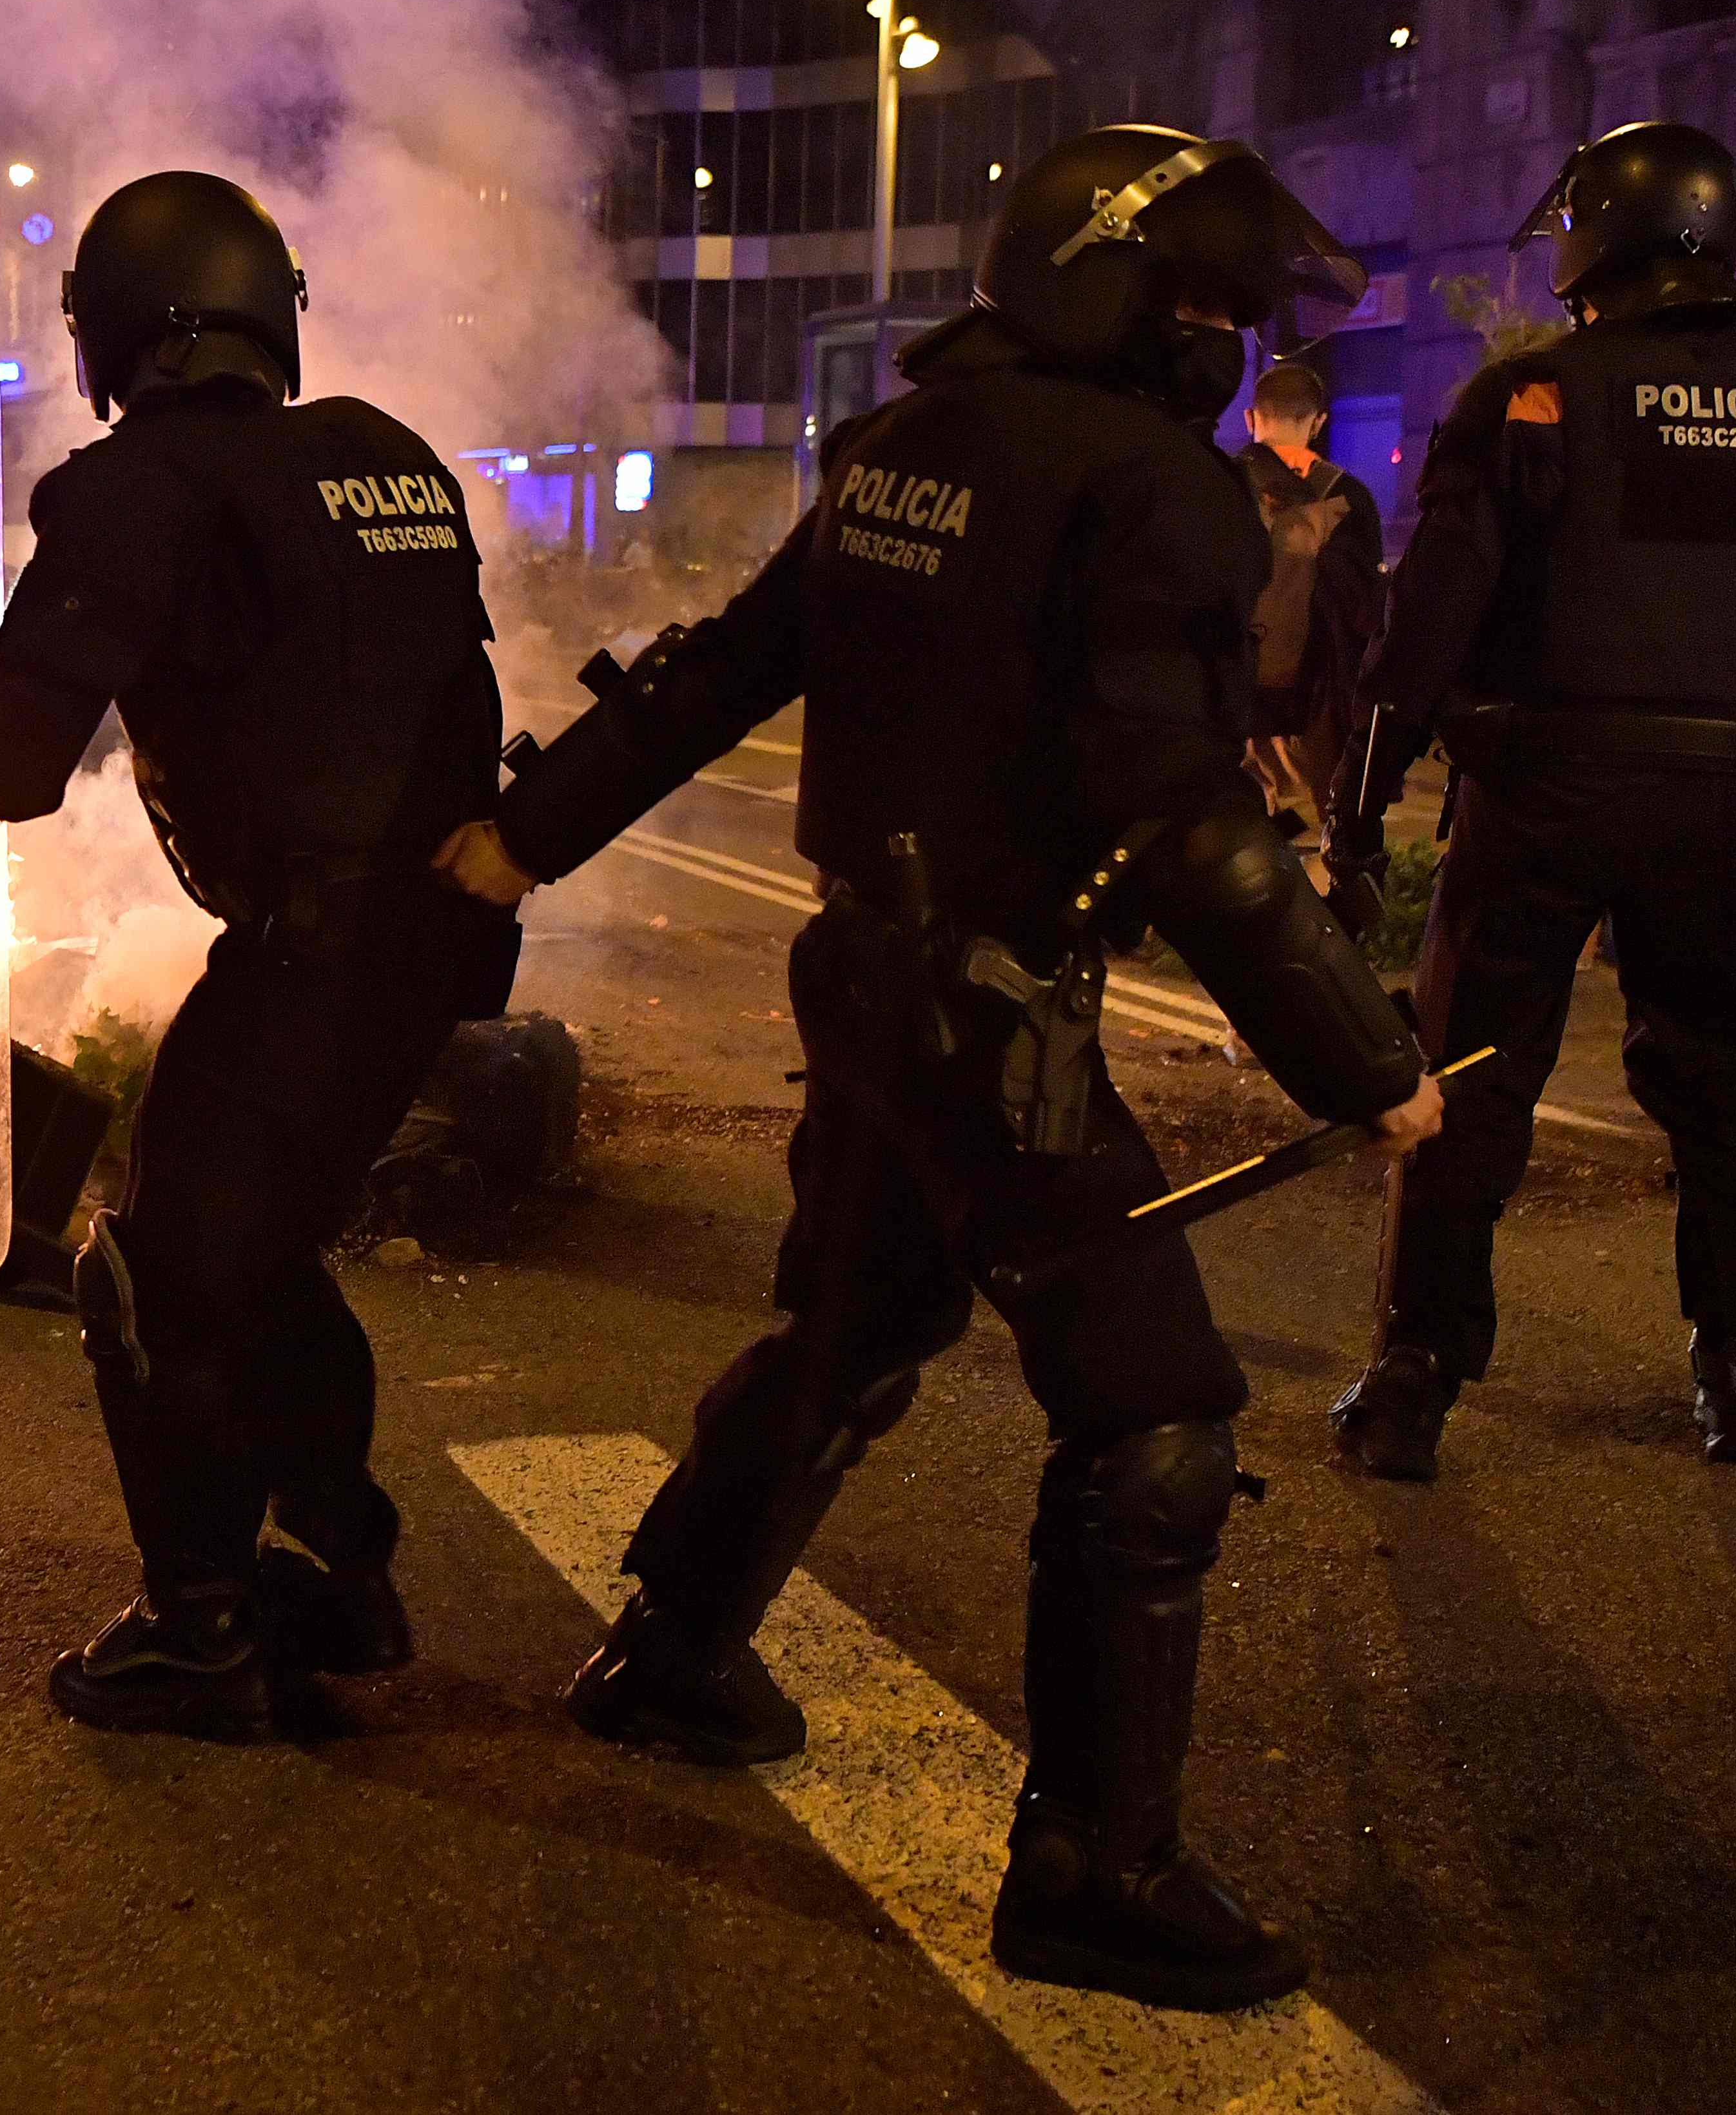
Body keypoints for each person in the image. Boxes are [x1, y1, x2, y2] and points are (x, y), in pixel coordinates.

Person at [438, 127, 1439, 2013]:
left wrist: (527, 831)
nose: (1222, 348)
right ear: (1121, 299)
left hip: (864, 977)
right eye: (1204, 310)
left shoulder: (903, 450)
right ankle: (1089, 1869)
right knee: (1152, 1413)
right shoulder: (1153, 489)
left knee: (856, 1320)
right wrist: (1360, 1057)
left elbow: (721, 665)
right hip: (992, 1013)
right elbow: (1183, 819)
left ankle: (666, 1656)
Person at [0, 170, 518, 1741]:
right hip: (435, 938)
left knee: (157, 1269)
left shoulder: (140, 488)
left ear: (122, 335)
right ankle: (338, 1567)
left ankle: (200, 1630)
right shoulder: (384, 457)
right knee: (255, 1252)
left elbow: (10, 763)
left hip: (315, 950)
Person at [1322, 121, 1736, 1478]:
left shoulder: (1534, 397)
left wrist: (1358, 811)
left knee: (1467, 1079)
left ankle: (1414, 1375)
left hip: (1539, 792)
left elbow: (1426, 627)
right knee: (1721, 1087)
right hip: (1718, 798)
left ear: (1594, 233)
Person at [1234, 360, 1384, 836]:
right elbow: (1367, 618)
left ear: (1250, 418)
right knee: (1305, 845)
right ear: (1318, 422)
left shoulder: (1216, 486)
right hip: (1308, 718)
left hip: (1221, 711)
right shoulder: (1348, 499)